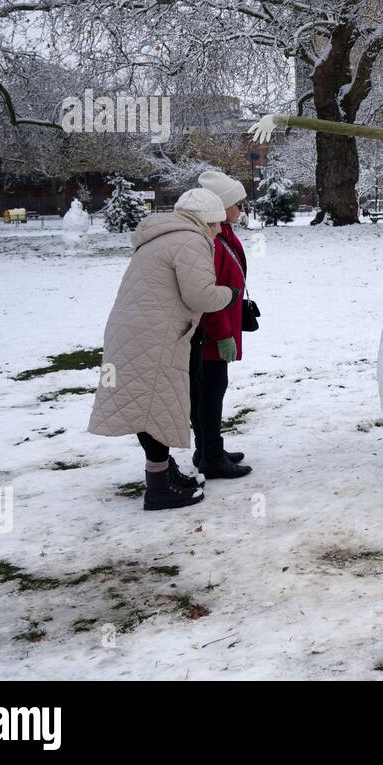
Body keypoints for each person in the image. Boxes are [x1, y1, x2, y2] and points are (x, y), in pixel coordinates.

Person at [88, 188, 239, 511]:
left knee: (145, 402)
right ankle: (159, 487)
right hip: (156, 335)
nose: (217, 232)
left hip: (133, 330)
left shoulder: (161, 236)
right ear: (205, 220)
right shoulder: (191, 240)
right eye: (215, 225)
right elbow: (199, 296)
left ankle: (163, 471)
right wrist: (230, 294)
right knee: (154, 405)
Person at [189, 170, 253, 480]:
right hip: (211, 331)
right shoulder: (211, 239)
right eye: (237, 203)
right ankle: (211, 457)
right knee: (209, 392)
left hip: (221, 325)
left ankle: (208, 449)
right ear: (220, 205)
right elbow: (207, 292)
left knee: (210, 389)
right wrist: (223, 334)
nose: (242, 208)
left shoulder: (222, 232)